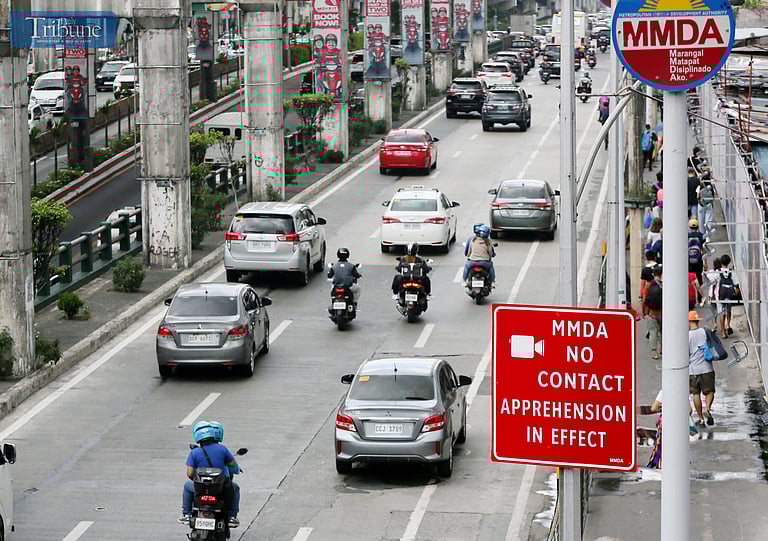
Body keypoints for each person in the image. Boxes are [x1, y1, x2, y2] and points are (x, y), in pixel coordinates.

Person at [180, 421, 241, 527]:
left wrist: (197, 480)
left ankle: (187, 514)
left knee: (187, 486)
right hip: (220, 489)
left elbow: (190, 473)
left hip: (200, 489)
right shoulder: (222, 449)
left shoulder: (194, 452)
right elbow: (233, 465)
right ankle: (232, 517)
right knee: (235, 488)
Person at [688, 311, 716, 426]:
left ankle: (700, 418)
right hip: (707, 367)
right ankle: (708, 409)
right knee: (709, 391)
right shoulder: (705, 331)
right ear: (698, 320)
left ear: (689, 321)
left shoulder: (686, 335)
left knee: (696, 394)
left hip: (693, 370)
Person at [645, 266, 663, 359]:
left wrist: (645, 313)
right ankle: (662, 349)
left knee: (653, 333)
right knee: (663, 332)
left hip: (652, 313)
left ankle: (654, 352)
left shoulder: (649, 285)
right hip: (663, 313)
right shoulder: (665, 284)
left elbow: (644, 299)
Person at [718, 254, 737, 338]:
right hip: (729, 292)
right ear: (729, 262)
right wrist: (736, 291)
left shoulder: (718, 271)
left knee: (722, 312)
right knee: (728, 310)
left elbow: (713, 281)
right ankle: (728, 326)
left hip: (721, 293)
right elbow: (736, 283)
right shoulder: (731, 271)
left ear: (721, 262)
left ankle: (722, 332)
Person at [703, 257, 722, 331]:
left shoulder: (711, 272)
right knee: (720, 310)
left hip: (711, 294)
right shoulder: (721, 273)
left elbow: (706, 280)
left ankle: (714, 324)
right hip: (719, 293)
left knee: (713, 310)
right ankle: (724, 327)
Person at [688, 218, 705, 288]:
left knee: (689, 277)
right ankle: (700, 295)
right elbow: (703, 249)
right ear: (698, 226)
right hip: (699, 259)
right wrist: (705, 262)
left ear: (689, 227)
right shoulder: (701, 235)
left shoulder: (687, 235)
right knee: (699, 276)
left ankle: (691, 293)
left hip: (689, 260)